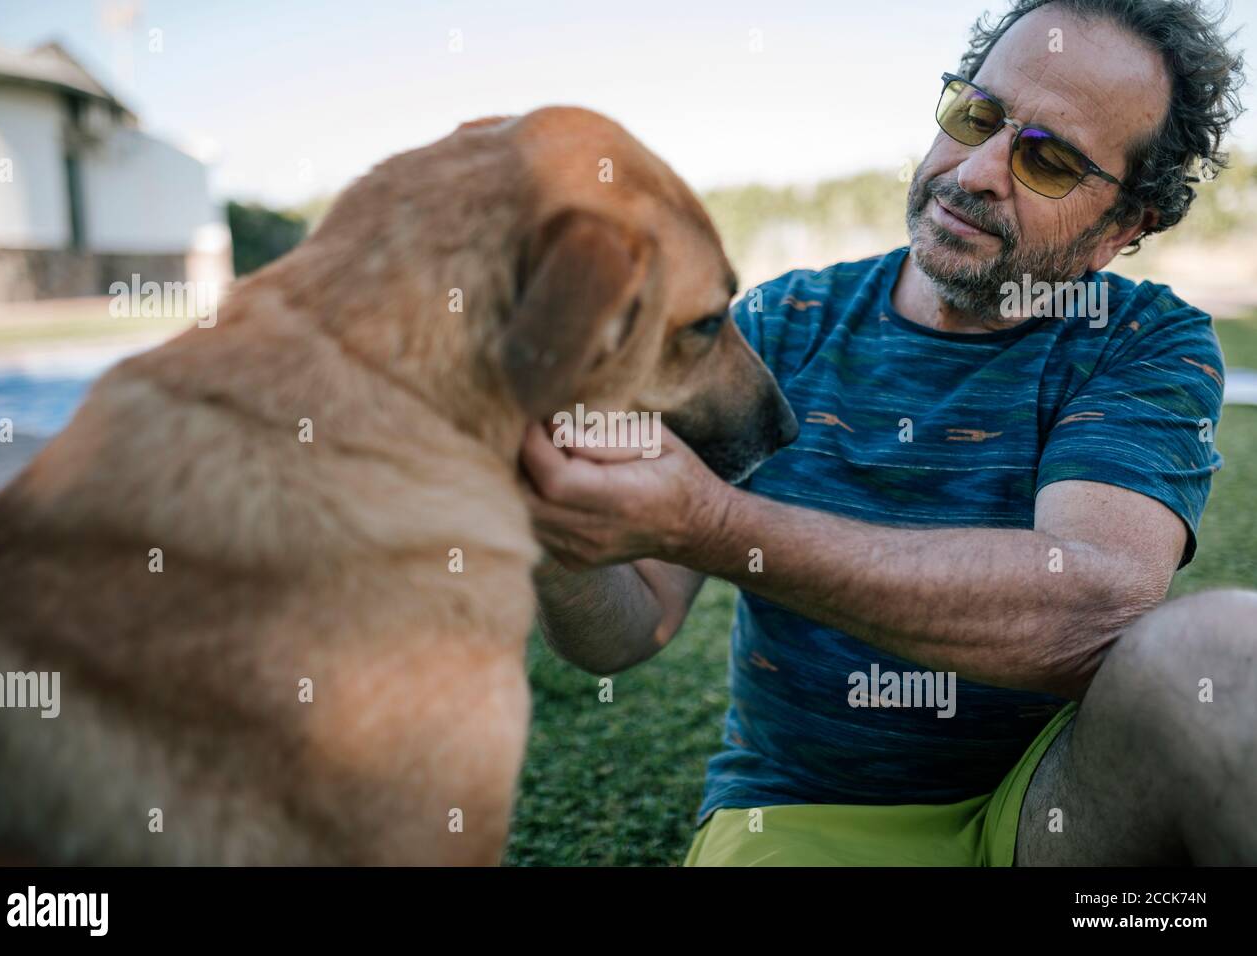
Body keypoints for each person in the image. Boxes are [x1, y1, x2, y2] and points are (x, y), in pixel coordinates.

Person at [522, 0, 1256, 865]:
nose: (977, 171)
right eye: (975, 115)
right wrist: (546, 500)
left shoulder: (1142, 339)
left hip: (1048, 814)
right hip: (798, 816)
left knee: (1225, 650)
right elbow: (624, 628)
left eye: (1049, 160)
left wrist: (714, 526)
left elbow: (1089, 609)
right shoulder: (780, 323)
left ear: (1125, 228)